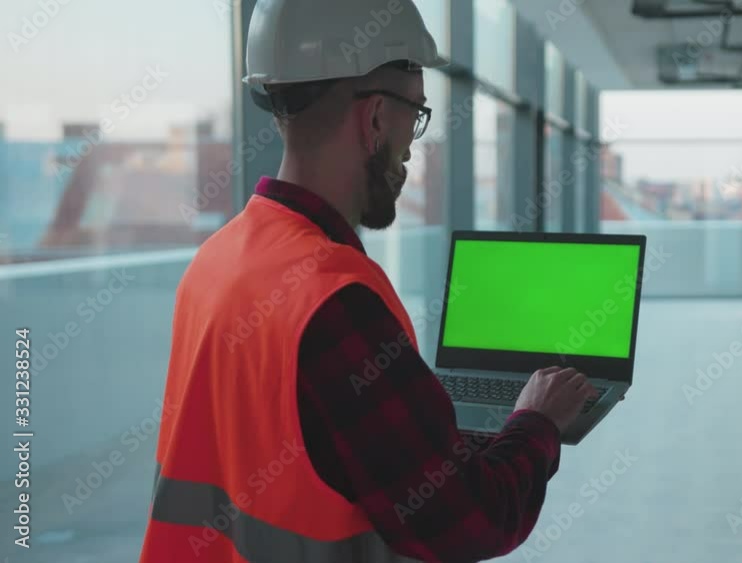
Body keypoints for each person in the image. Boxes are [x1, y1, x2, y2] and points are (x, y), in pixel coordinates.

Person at [139, 1, 598, 561]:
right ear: (376, 117)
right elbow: (473, 520)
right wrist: (537, 421)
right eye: (417, 114)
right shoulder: (336, 302)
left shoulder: (217, 259)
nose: (414, 144)